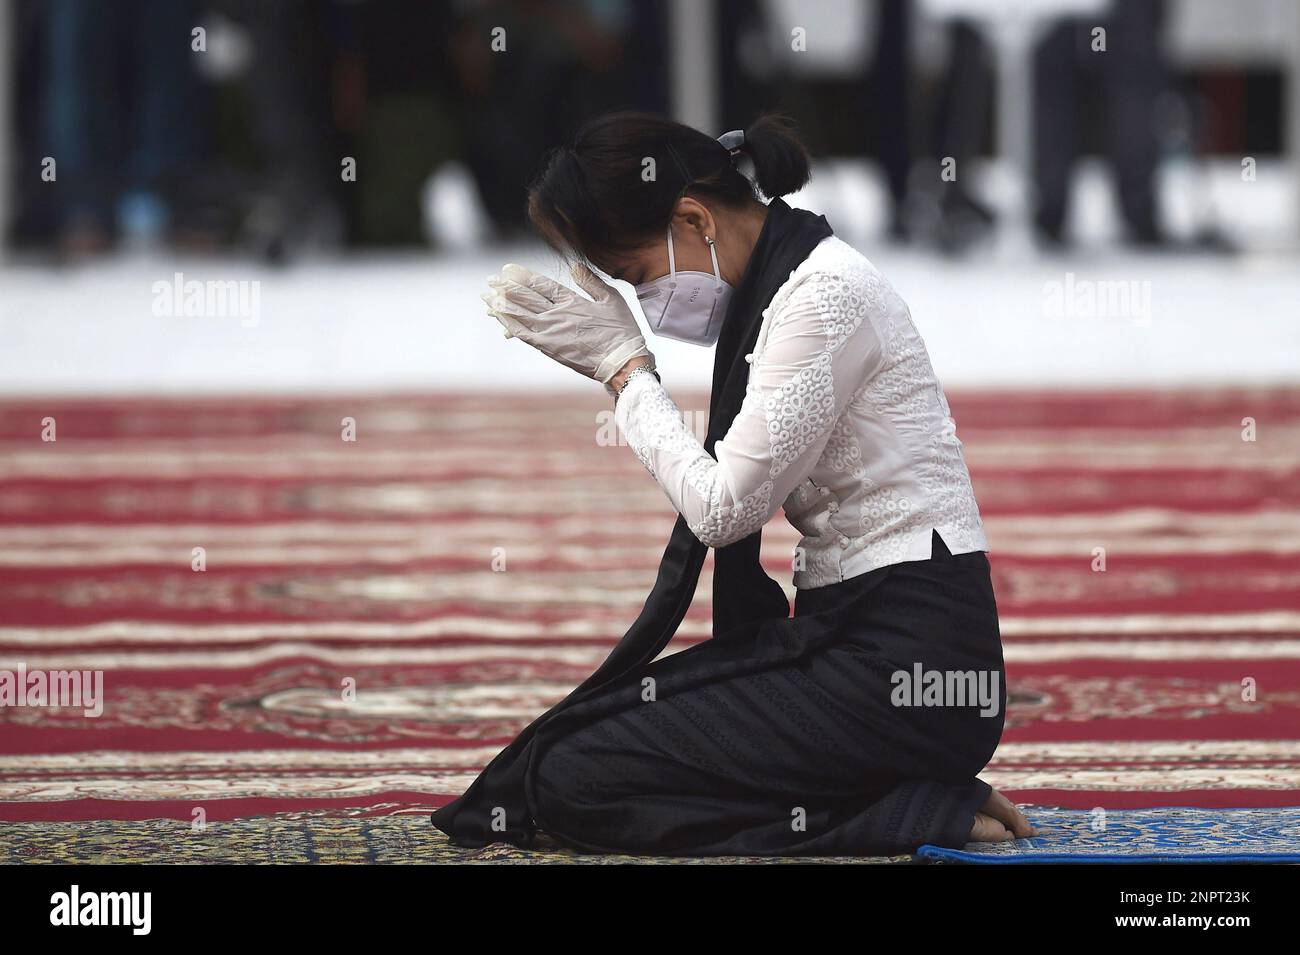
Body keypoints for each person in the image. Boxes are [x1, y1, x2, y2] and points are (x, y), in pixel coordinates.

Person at [434, 112, 1035, 857]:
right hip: (855, 642)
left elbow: (723, 509)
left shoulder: (822, 296)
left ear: (693, 218)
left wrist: (626, 375)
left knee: (572, 775)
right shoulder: (786, 286)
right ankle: (897, 789)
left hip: (913, 667)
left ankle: (904, 812)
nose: (643, 307)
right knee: (577, 744)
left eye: (638, 278)